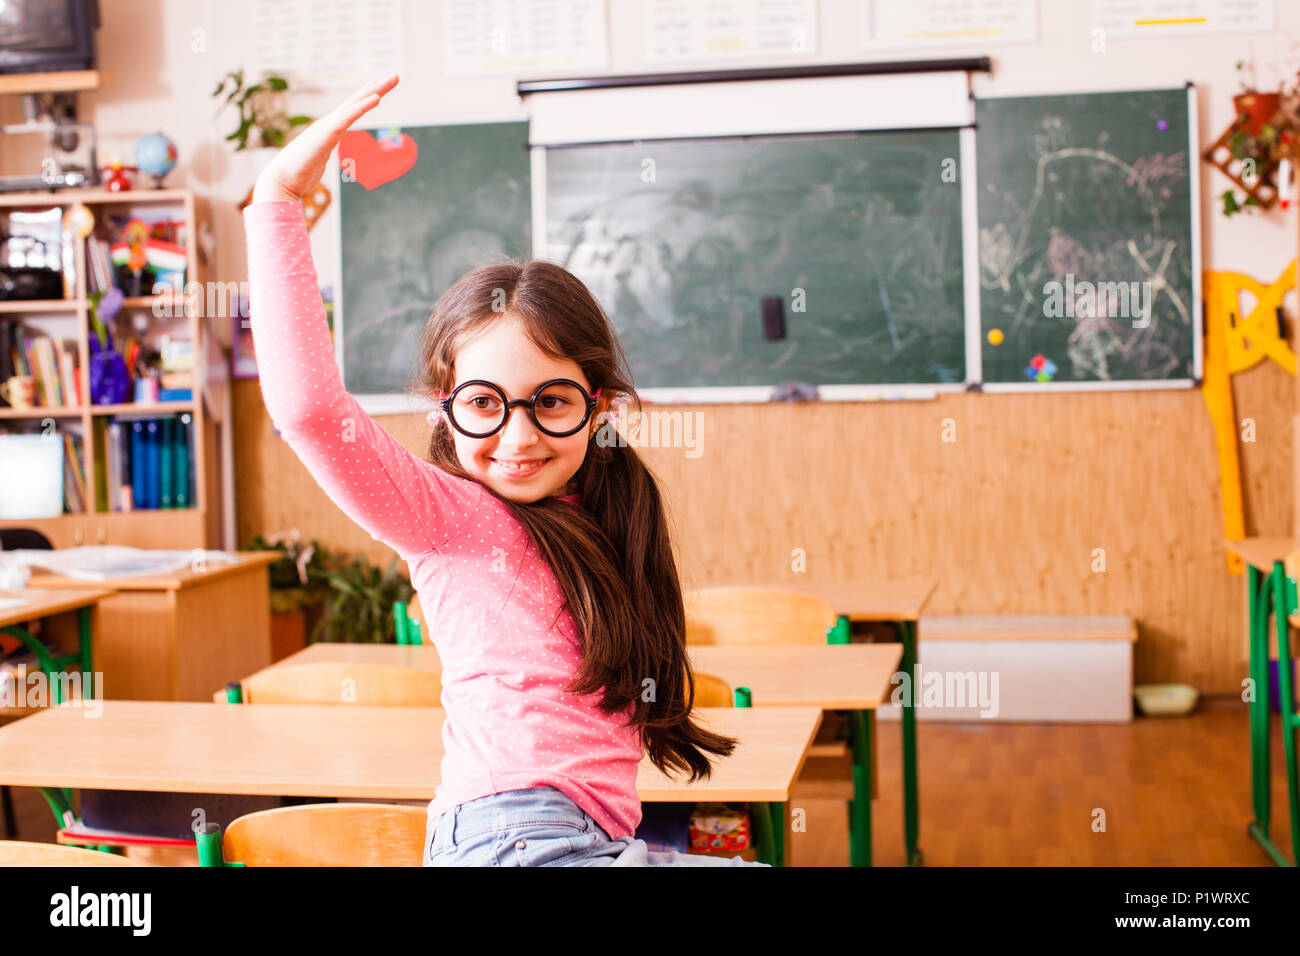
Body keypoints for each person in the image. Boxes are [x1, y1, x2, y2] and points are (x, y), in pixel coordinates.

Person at [243, 74, 767, 867]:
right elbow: (311, 411)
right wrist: (278, 198)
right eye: (486, 403)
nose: (518, 436)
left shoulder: (614, 510)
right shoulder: (448, 519)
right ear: (445, 408)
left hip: (588, 840)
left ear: (600, 404)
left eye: (550, 401)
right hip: (508, 841)